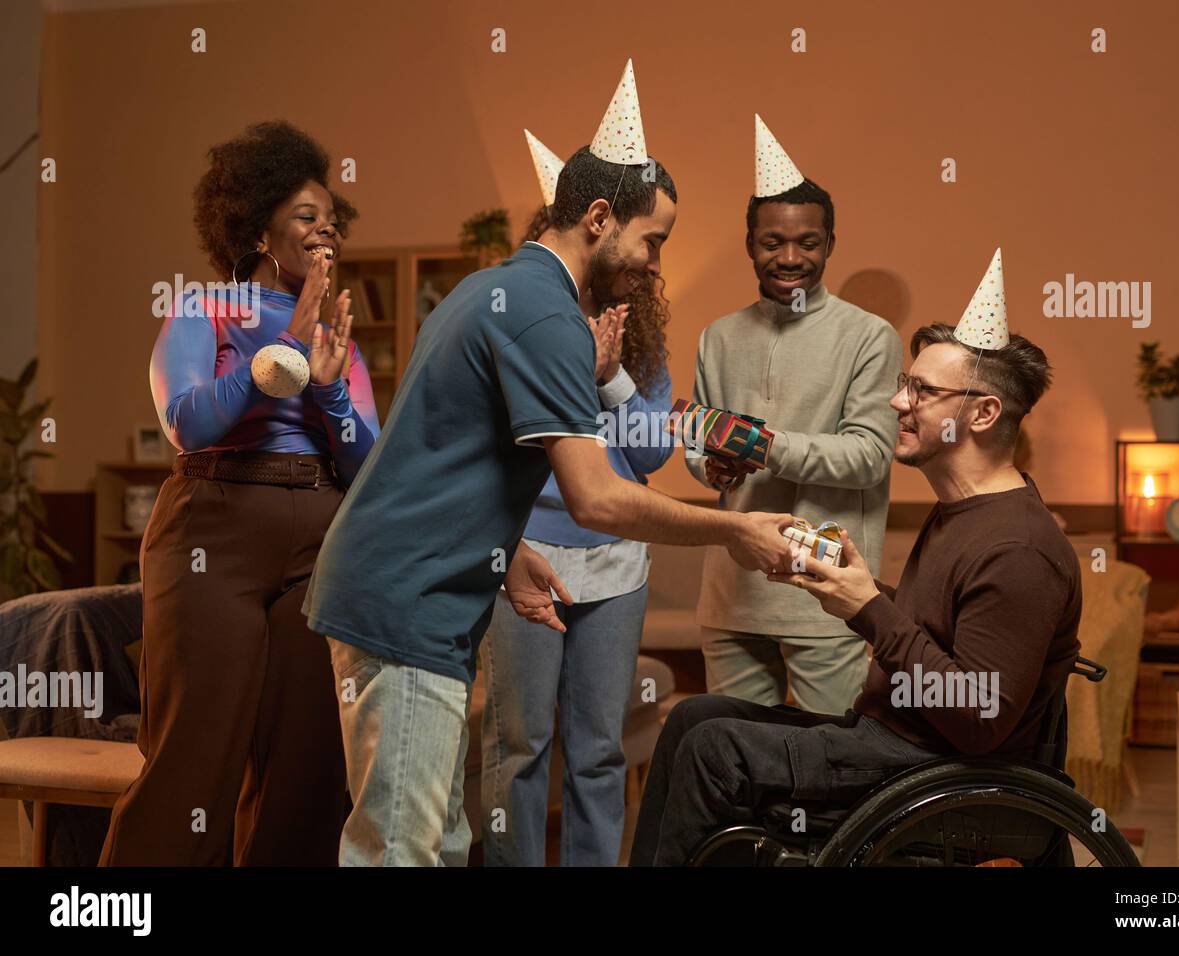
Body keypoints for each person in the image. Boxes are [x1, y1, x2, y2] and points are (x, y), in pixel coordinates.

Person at [301, 61, 794, 866]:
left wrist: (510, 554)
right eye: (652, 239)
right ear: (600, 216)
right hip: (406, 606)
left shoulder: (499, 291)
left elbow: (444, 459)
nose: (654, 261)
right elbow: (597, 497)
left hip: (418, 595)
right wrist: (731, 532)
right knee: (399, 851)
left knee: (439, 842)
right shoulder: (545, 315)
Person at [630, 249, 1082, 866]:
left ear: (982, 413)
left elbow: (978, 716)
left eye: (922, 390)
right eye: (905, 384)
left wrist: (870, 609)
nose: (898, 402)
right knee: (694, 719)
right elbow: (939, 640)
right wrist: (851, 588)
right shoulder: (965, 513)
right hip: (896, 743)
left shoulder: (1019, 548)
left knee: (716, 750)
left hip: (944, 776)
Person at [100, 121, 379, 866]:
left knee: (309, 765)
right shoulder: (203, 309)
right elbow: (189, 425)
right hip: (212, 530)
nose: (325, 230)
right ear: (260, 230)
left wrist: (331, 393)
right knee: (194, 751)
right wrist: (284, 344)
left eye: (331, 219)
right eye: (305, 217)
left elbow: (365, 463)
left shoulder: (339, 333)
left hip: (319, 536)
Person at [479, 130, 675, 867]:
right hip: (528, 555)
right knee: (518, 744)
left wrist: (609, 376)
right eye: (648, 239)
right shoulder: (520, 314)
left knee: (598, 749)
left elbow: (653, 451)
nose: (647, 261)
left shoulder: (641, 331)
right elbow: (498, 440)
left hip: (618, 563)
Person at [688, 116, 903, 714]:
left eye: (807, 242)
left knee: (825, 767)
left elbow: (868, 457)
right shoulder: (717, 337)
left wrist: (759, 443)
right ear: (749, 243)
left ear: (830, 243)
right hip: (731, 593)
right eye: (771, 242)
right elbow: (696, 444)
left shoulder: (871, 337)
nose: (790, 258)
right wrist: (713, 466)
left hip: (825, 589)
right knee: (734, 769)